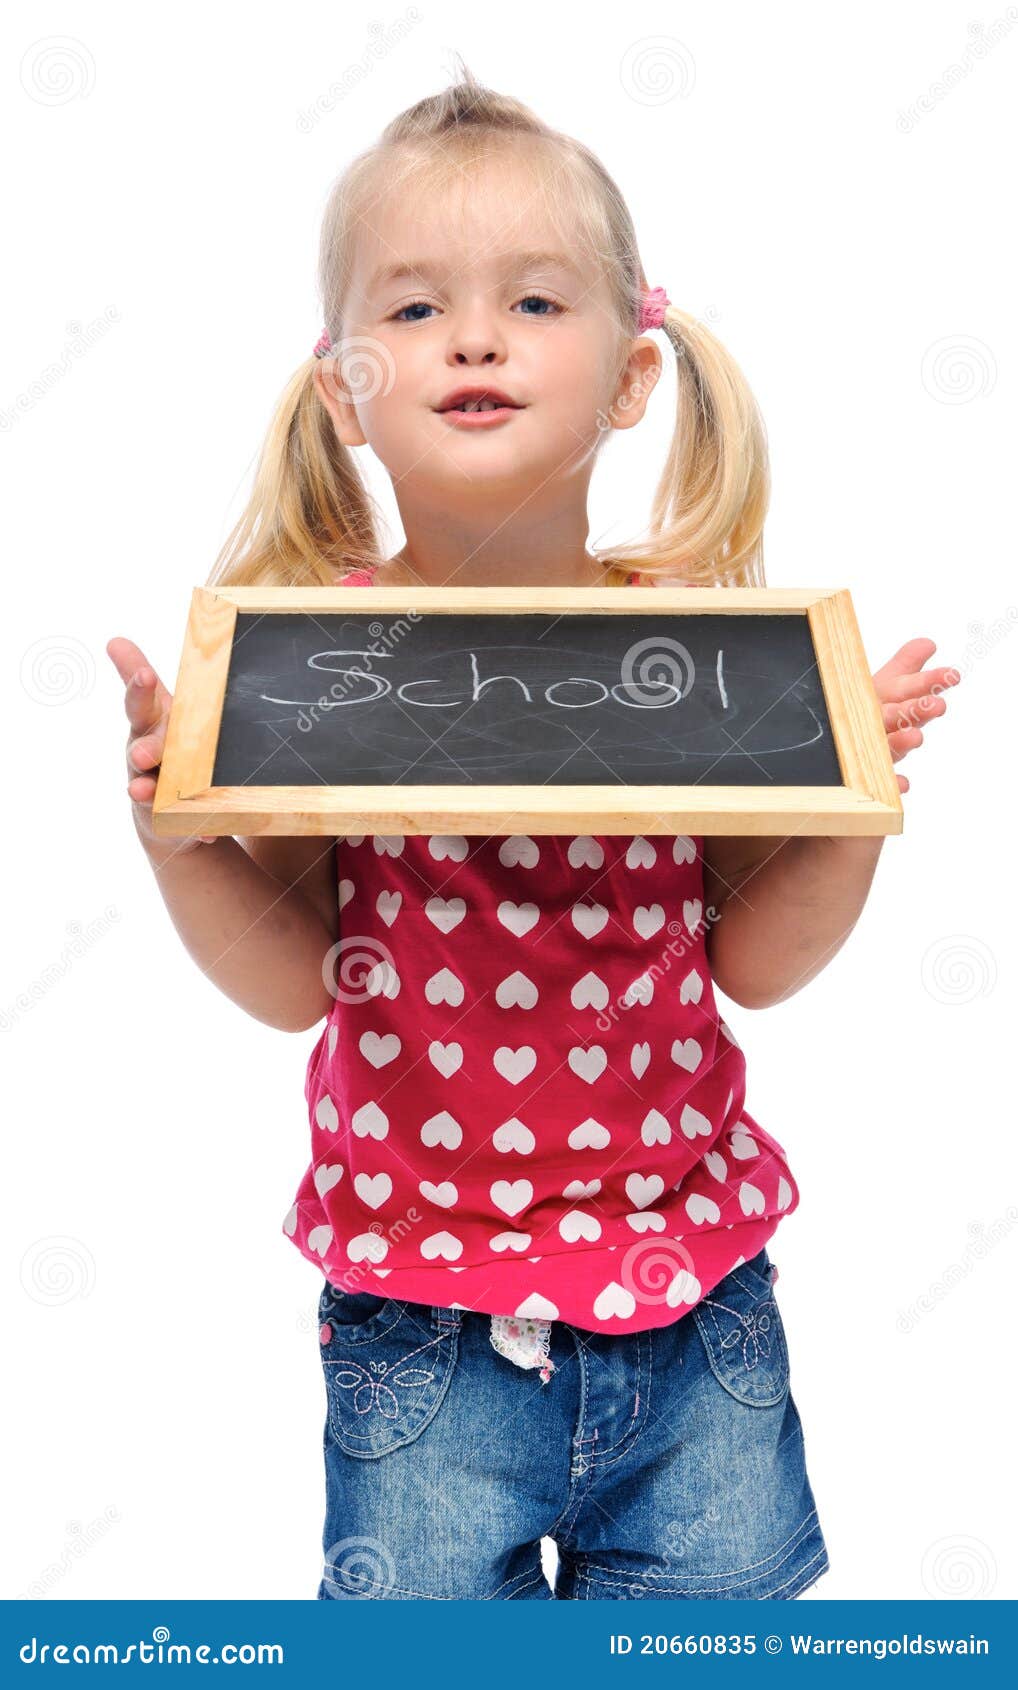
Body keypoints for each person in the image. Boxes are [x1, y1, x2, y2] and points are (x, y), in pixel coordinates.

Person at [107, 62, 960, 1601]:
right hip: (419, 1333)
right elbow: (292, 980)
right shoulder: (313, 666)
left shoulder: (693, 654)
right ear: (344, 391)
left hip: (695, 1319)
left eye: (535, 304)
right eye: (416, 309)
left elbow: (755, 963)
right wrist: (182, 829)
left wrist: (853, 796)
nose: (475, 338)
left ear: (633, 378)